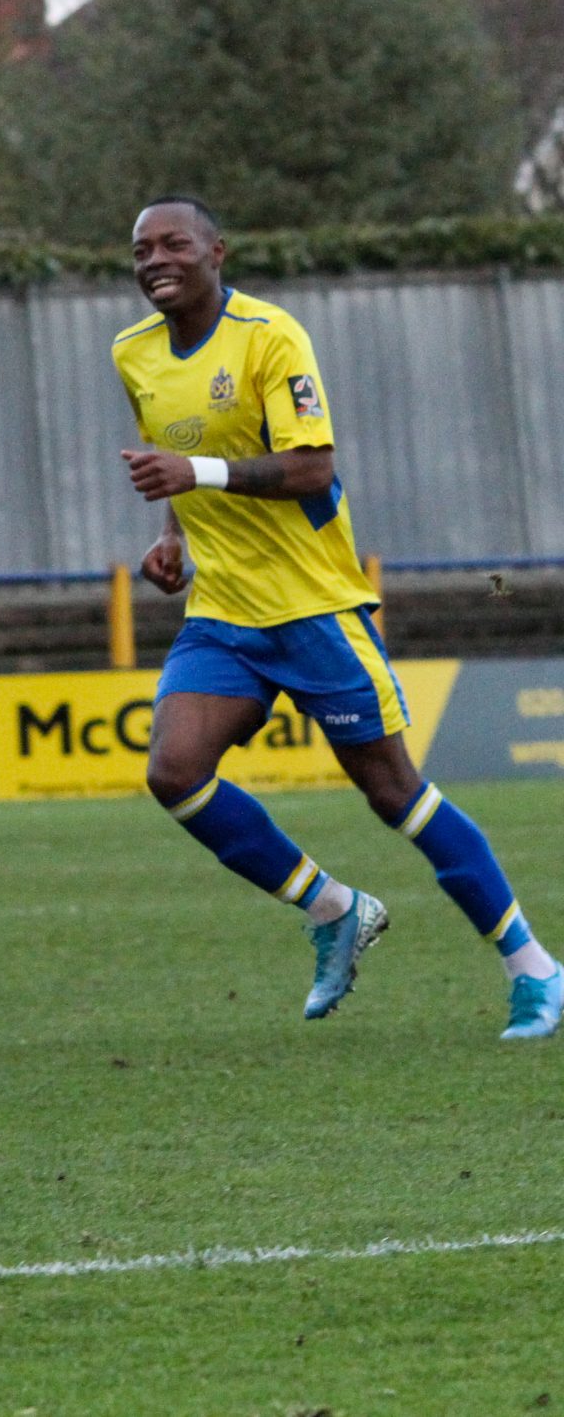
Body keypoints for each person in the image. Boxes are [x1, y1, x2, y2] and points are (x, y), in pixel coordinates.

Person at [114, 196, 561, 1040]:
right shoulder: (132, 352)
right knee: (174, 772)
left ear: (218, 250)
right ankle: (333, 909)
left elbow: (313, 469)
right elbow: (176, 456)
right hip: (224, 614)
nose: (154, 259)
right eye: (141, 249)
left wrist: (195, 476)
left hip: (315, 607)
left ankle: (534, 967)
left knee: (394, 792)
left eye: (173, 242)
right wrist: (170, 537)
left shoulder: (270, 336)